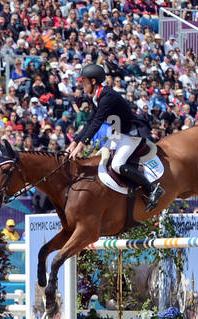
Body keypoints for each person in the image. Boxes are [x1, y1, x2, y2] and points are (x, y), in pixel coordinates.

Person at [66, 63, 163, 210]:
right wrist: (74, 142)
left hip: (130, 133)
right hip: (118, 132)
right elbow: (90, 121)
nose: (82, 86)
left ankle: (152, 189)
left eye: (84, 82)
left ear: (93, 81)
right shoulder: (96, 97)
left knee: (117, 165)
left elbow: (97, 122)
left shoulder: (107, 97)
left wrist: (81, 146)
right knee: (103, 159)